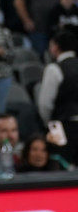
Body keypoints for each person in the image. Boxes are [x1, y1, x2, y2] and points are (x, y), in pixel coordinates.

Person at [36, 28, 78, 164]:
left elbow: (45, 104)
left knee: (64, 166)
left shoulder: (54, 69)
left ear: (55, 47)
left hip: (64, 126)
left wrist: (49, 124)